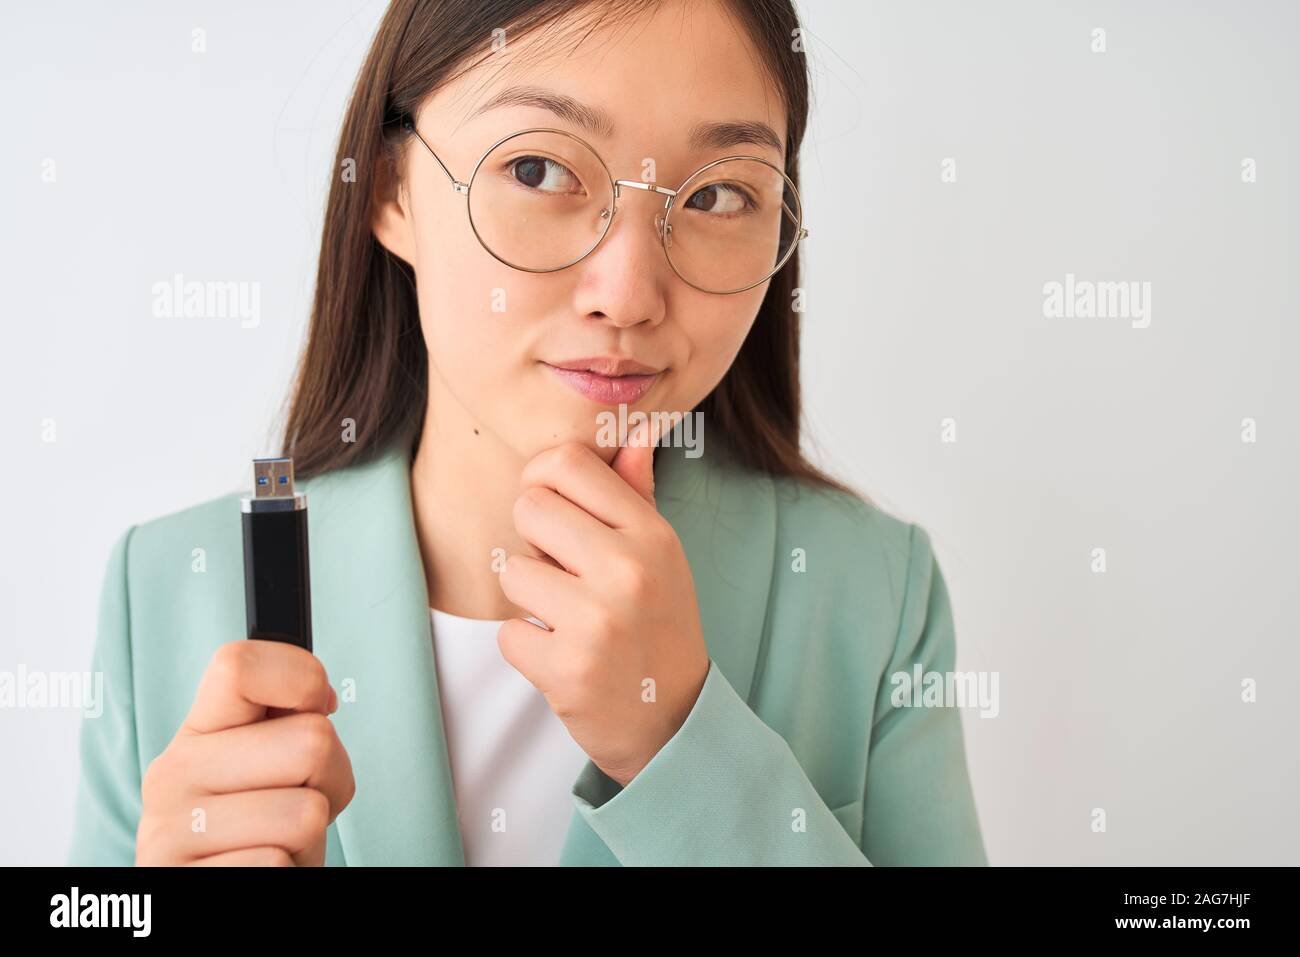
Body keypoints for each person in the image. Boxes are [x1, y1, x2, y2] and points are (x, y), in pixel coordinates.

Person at [68, 0, 987, 866]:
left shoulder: (870, 594)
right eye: (538, 170)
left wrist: (682, 741)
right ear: (389, 189)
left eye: (716, 197)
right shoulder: (168, 594)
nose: (627, 293)